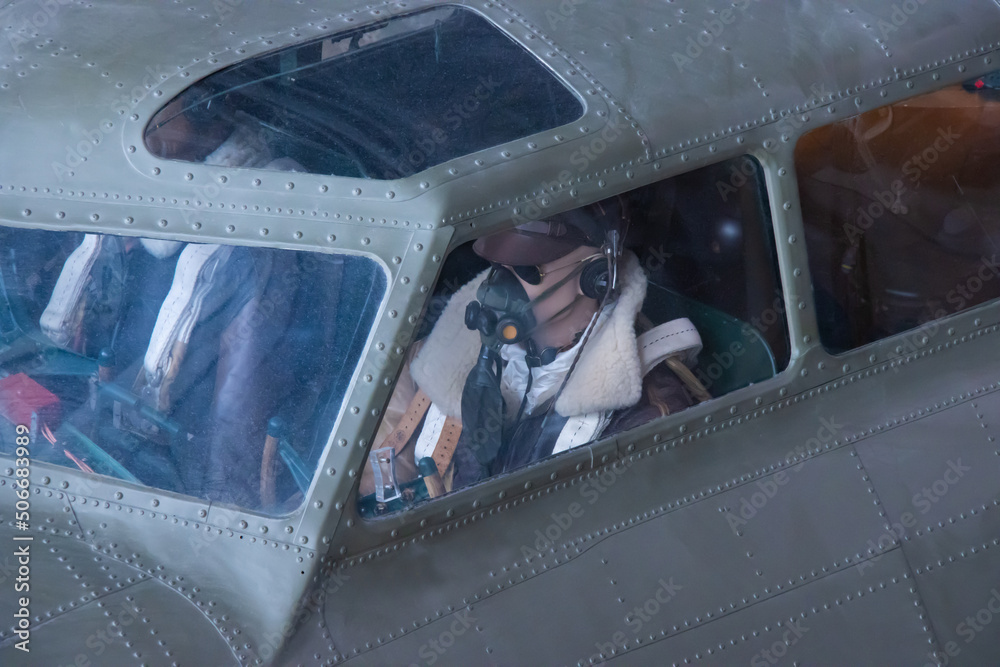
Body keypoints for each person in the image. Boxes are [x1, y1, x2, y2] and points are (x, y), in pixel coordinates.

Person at [360, 199, 710, 505]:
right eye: (500, 267)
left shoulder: (646, 417)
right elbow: (377, 477)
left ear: (596, 277)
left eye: (526, 270)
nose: (499, 287)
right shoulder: (444, 355)